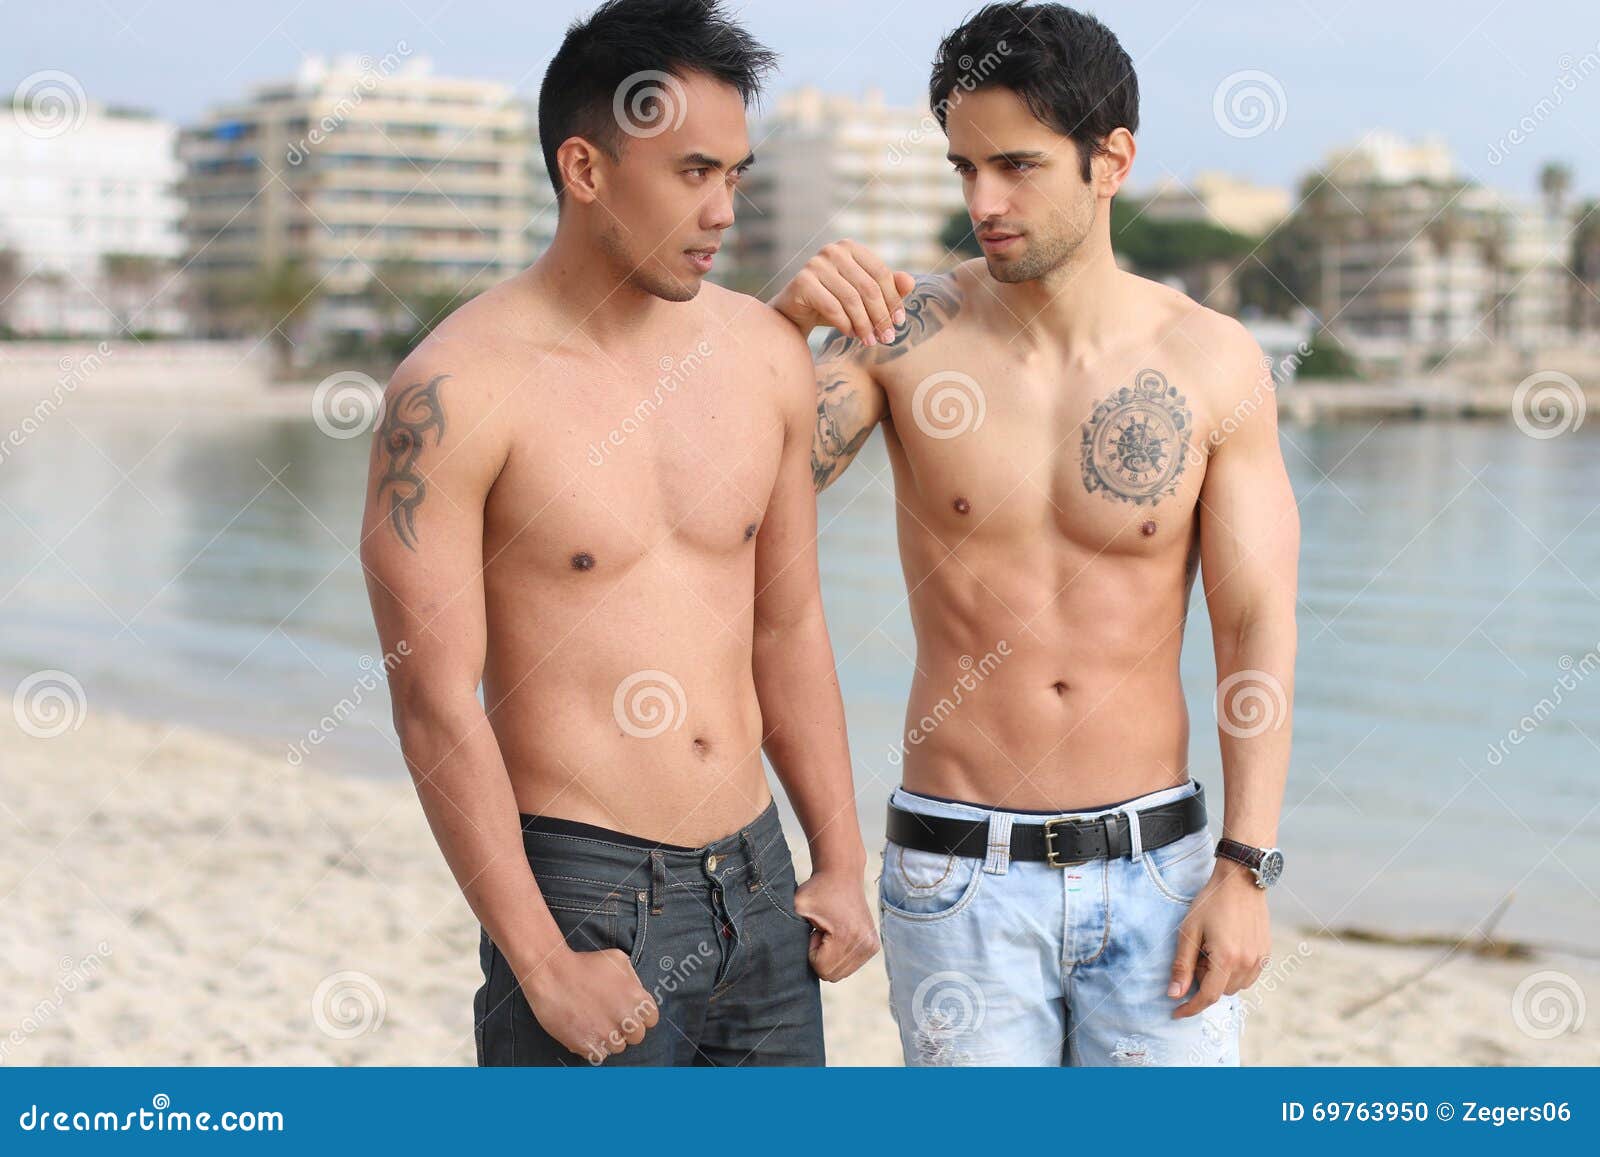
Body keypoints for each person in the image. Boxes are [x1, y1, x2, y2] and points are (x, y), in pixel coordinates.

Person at [768, 1, 1298, 1066]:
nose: (984, 202)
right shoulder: (903, 335)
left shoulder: (1211, 360)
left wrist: (1244, 866)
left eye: (1015, 166)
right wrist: (774, 332)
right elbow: (717, 501)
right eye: (963, 169)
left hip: (1160, 870)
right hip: (956, 875)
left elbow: (1253, 621)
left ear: (1112, 158)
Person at [360, 0, 877, 1067]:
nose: (722, 207)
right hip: (585, 895)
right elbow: (430, 696)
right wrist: (543, 961)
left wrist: (838, 854)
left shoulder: (762, 356)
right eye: (693, 171)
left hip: (760, 875)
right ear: (585, 168)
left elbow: (787, 626)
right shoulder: (455, 392)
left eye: (735, 173)